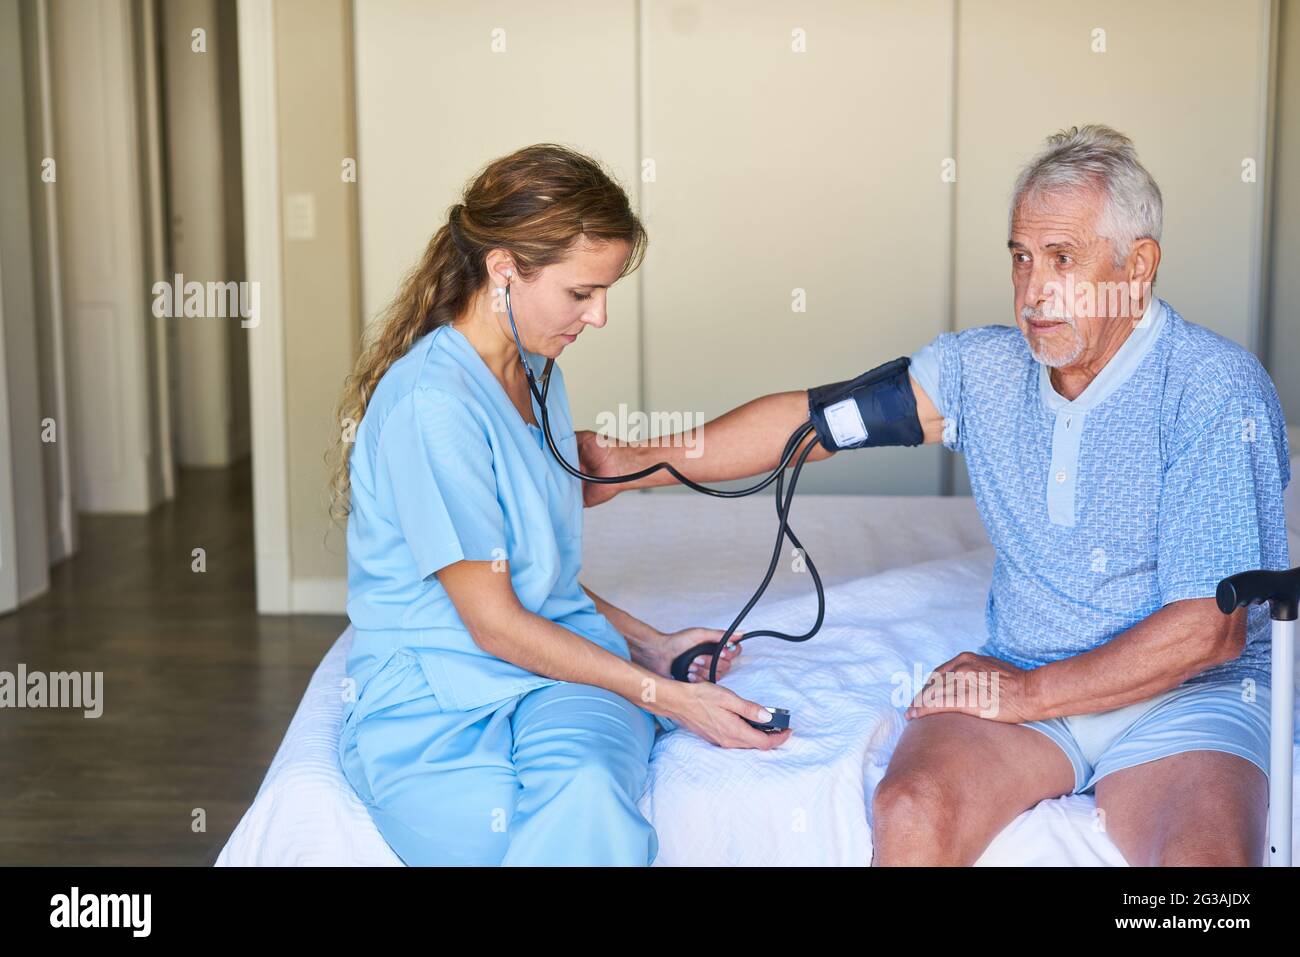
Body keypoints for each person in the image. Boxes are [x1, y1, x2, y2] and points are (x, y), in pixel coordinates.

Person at [579, 126, 1291, 866]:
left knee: (1204, 879)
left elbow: (1208, 632)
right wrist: (631, 459)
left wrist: (1026, 693)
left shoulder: (1212, 387)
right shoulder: (978, 371)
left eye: (1062, 259)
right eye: (1020, 257)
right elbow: (809, 423)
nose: (1033, 290)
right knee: (911, 807)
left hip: (1187, 700)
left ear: (1137, 266)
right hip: (1024, 678)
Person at [329, 144, 789, 867]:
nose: (599, 316)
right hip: (436, 697)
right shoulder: (432, 407)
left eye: (605, 292)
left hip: (549, 671)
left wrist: (653, 647)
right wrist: (670, 699)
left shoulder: (537, 371)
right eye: (581, 293)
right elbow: (494, 622)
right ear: (504, 267)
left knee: (584, 792)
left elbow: (536, 571)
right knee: (502, 836)